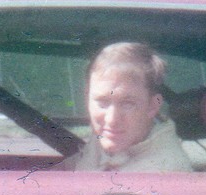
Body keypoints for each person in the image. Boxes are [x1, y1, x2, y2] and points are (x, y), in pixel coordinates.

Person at [64, 42, 193, 172]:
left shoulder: (167, 172)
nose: (111, 120)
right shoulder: (104, 141)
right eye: (102, 102)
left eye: (127, 104)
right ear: (87, 99)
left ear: (153, 106)